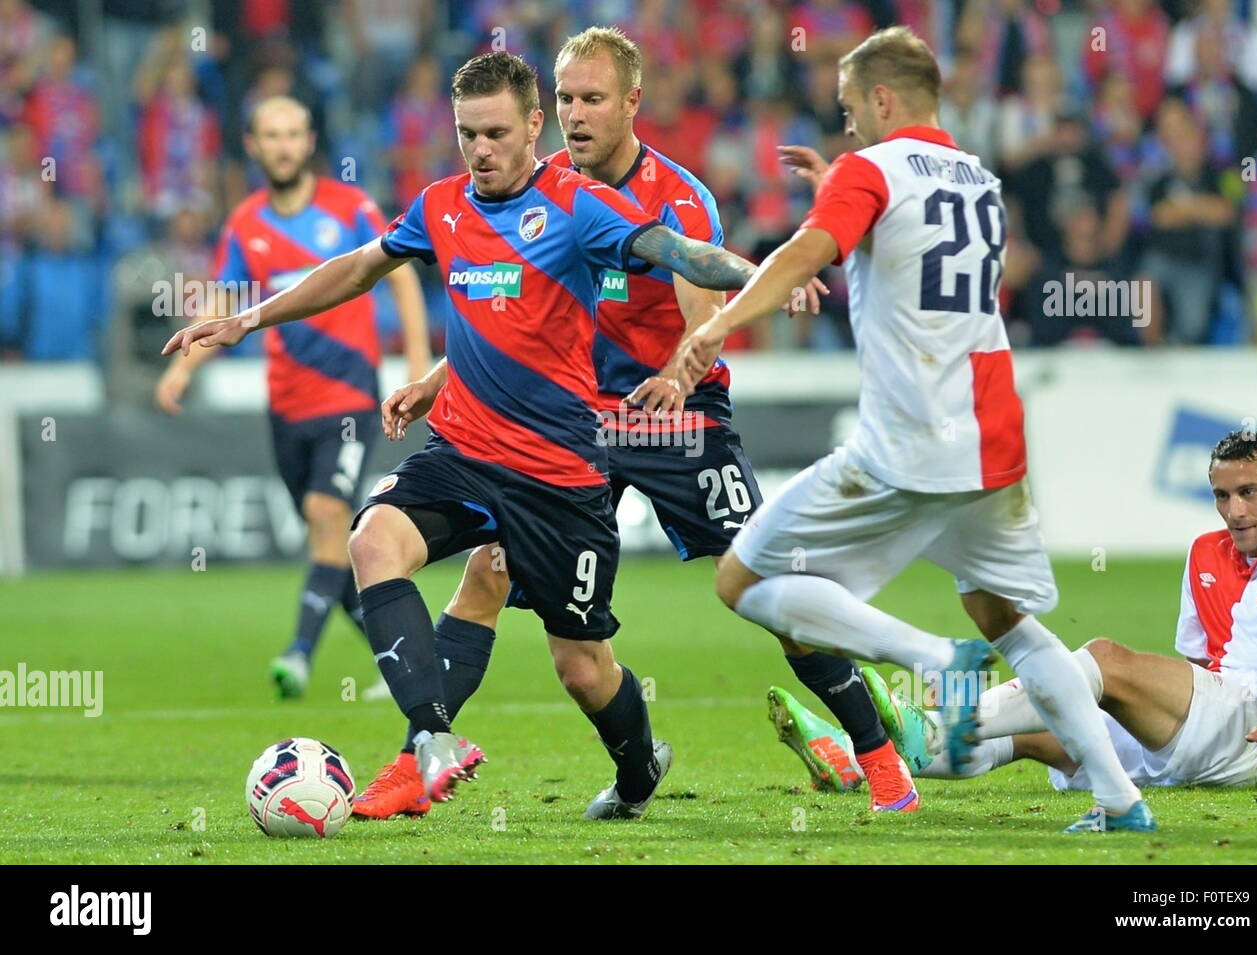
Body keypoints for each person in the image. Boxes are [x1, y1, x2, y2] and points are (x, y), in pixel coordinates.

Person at [163, 52, 760, 815]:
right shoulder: (442, 204)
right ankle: (430, 736)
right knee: (371, 538)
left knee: (582, 665)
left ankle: (640, 764)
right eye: (466, 134)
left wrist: (766, 273)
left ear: (534, 126)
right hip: (466, 449)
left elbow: (682, 253)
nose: (480, 150)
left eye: (496, 133)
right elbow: (358, 266)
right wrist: (249, 316)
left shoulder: (577, 206)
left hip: (559, 475)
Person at [352, 26, 911, 822]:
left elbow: (700, 303)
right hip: (575, 426)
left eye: (594, 99)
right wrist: (440, 380)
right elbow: (516, 313)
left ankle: (879, 753)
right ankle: (420, 758)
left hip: (673, 419)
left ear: (632, 104)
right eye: (568, 99)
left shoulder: (677, 196)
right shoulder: (536, 189)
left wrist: (677, 369)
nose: (578, 115)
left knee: (762, 585)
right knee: (493, 580)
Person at [678, 26, 1154, 833]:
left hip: (908, 441)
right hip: (993, 440)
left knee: (743, 583)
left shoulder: (869, 170)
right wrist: (844, 183)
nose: (847, 125)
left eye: (850, 109)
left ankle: (936, 662)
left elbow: (812, 251)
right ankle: (1121, 800)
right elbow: (905, 235)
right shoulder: (978, 179)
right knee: (1006, 618)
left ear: (883, 99)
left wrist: (721, 321)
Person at [154, 96, 431, 700]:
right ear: (253, 146)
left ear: (309, 142)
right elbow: (224, 304)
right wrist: (184, 371)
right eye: (270, 135)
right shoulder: (246, 225)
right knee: (325, 543)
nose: (282, 145)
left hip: (349, 403)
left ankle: (299, 654)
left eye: (293, 133)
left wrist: (414, 365)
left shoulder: (350, 208)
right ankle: (409, 655)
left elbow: (404, 273)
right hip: (286, 407)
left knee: (330, 520)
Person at [876, 429, 1257, 793]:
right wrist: (1151, 706)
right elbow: (1199, 671)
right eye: (1222, 496)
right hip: (1216, 726)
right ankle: (872, 759)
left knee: (1105, 661)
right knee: (1047, 728)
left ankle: (941, 724)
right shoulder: (1205, 552)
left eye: (1248, 493)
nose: (1235, 511)